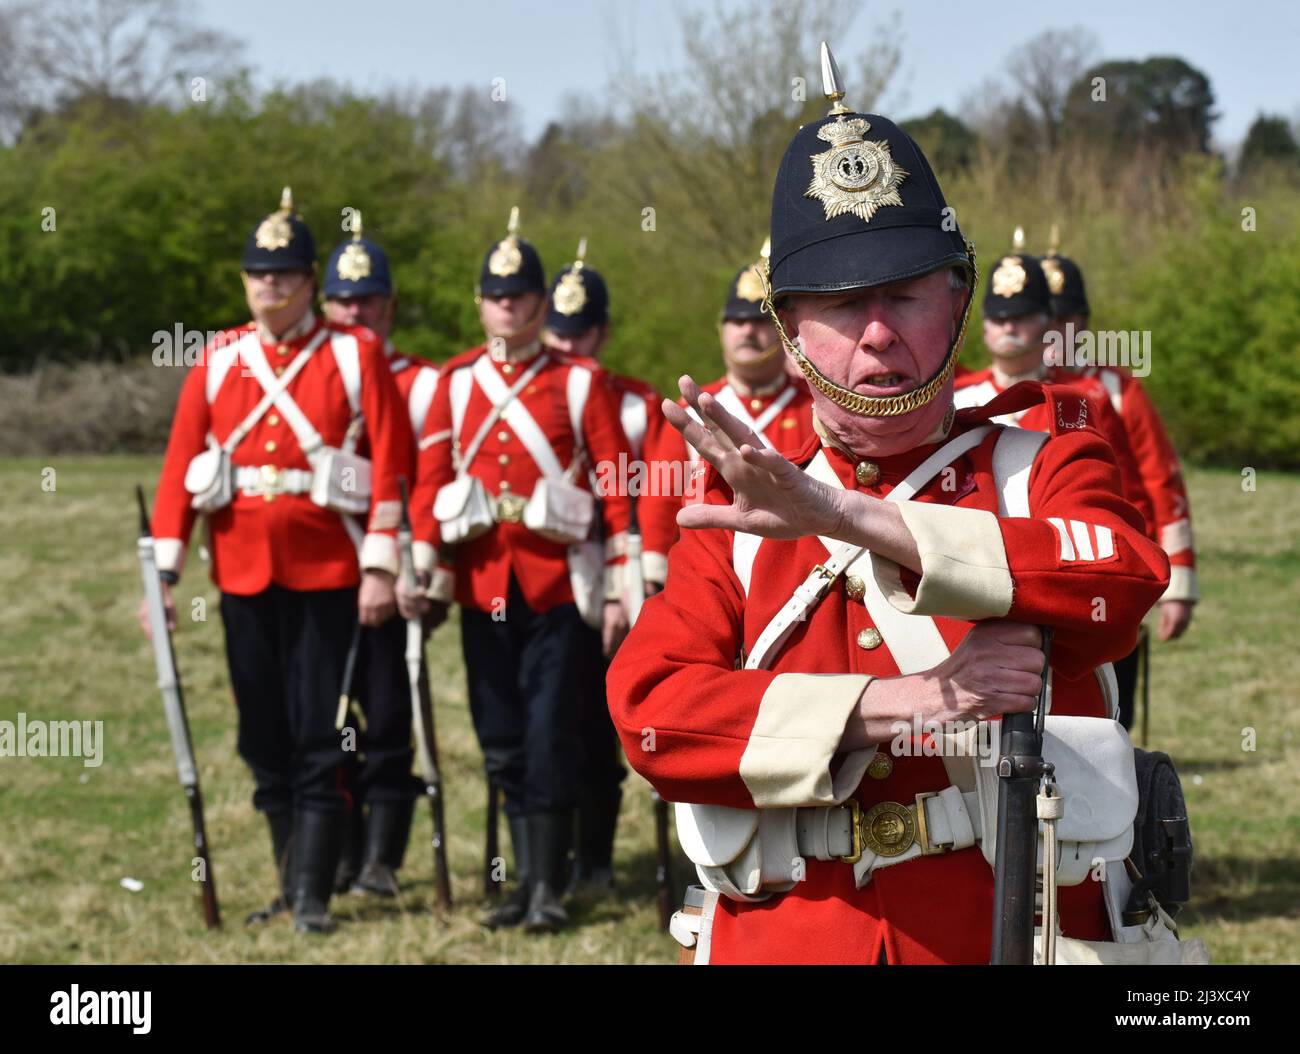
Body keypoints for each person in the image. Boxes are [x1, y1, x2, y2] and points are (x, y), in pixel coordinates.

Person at [606, 47, 1169, 964]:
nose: (876, 333)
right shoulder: (739, 520)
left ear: (958, 302)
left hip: (1016, 931)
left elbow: (1121, 579)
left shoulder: (1046, 461)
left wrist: (845, 518)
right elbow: (654, 715)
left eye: (905, 295)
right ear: (789, 334)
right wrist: (907, 702)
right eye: (838, 303)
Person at [140, 188, 412, 934]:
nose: (268, 287)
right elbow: (179, 470)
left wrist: (382, 566)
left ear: (306, 284)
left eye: (283, 276)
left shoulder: (354, 357)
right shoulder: (220, 360)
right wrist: (163, 578)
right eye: (257, 275)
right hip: (241, 571)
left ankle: (316, 897)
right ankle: (291, 885)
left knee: (321, 733)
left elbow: (392, 463)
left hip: (329, 572)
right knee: (263, 733)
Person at [399, 209, 633, 932]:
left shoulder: (578, 382)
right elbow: (433, 480)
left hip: (557, 585)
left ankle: (547, 889)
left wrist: (625, 583)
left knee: (548, 731)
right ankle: (523, 882)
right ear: (481, 304)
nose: (509, 306)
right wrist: (420, 567)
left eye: (522, 295)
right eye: (497, 296)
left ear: (538, 304)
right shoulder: (454, 381)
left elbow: (615, 487)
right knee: (498, 734)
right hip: (481, 583)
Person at [541, 240, 672, 893]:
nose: (568, 346)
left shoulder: (635, 404)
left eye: (581, 332)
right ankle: (550, 859)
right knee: (549, 726)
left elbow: (645, 502)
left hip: (615, 580)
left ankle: (593, 859)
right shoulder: (537, 390)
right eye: (557, 333)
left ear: (603, 332)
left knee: (600, 725)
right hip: (554, 579)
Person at [321, 211, 443, 896]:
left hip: (390, 572)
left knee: (390, 715)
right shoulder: (313, 371)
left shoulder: (423, 383)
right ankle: (333, 848)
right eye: (341, 298)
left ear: (389, 304)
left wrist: (411, 565)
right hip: (321, 570)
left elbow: (426, 483)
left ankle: (381, 860)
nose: (353, 311)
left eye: (366, 298)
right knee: (329, 720)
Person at [1041, 231, 1197, 726]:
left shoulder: (1117, 389)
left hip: (1115, 573)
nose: (1051, 330)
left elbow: (1162, 481)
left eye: (1063, 318)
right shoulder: (1003, 393)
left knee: (1111, 717)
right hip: (1039, 574)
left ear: (1082, 323)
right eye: (1041, 318)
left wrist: (1179, 585)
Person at [953, 246, 1157, 538]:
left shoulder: (1085, 399)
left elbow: (1123, 497)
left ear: (1048, 322)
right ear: (983, 327)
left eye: (1022, 317)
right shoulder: (954, 397)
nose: (1009, 326)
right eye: (998, 318)